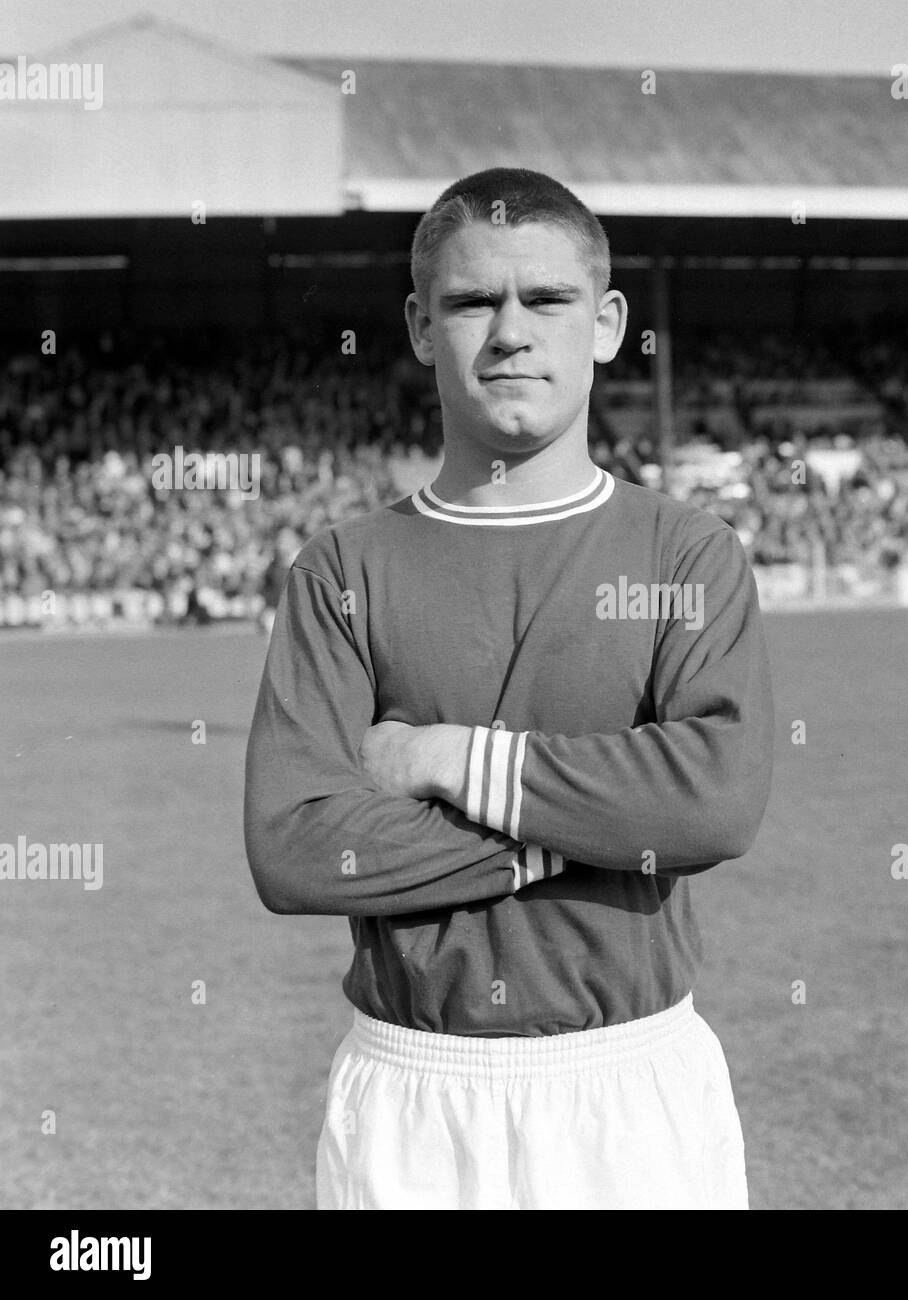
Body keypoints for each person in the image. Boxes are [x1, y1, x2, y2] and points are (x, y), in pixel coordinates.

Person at [243, 168, 774, 1210]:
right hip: (411, 1095)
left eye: (547, 299)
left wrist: (449, 762)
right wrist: (598, 822)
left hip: (632, 1094)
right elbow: (294, 846)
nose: (510, 332)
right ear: (418, 326)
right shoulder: (343, 569)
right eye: (473, 301)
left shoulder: (689, 554)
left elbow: (714, 798)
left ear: (609, 322)